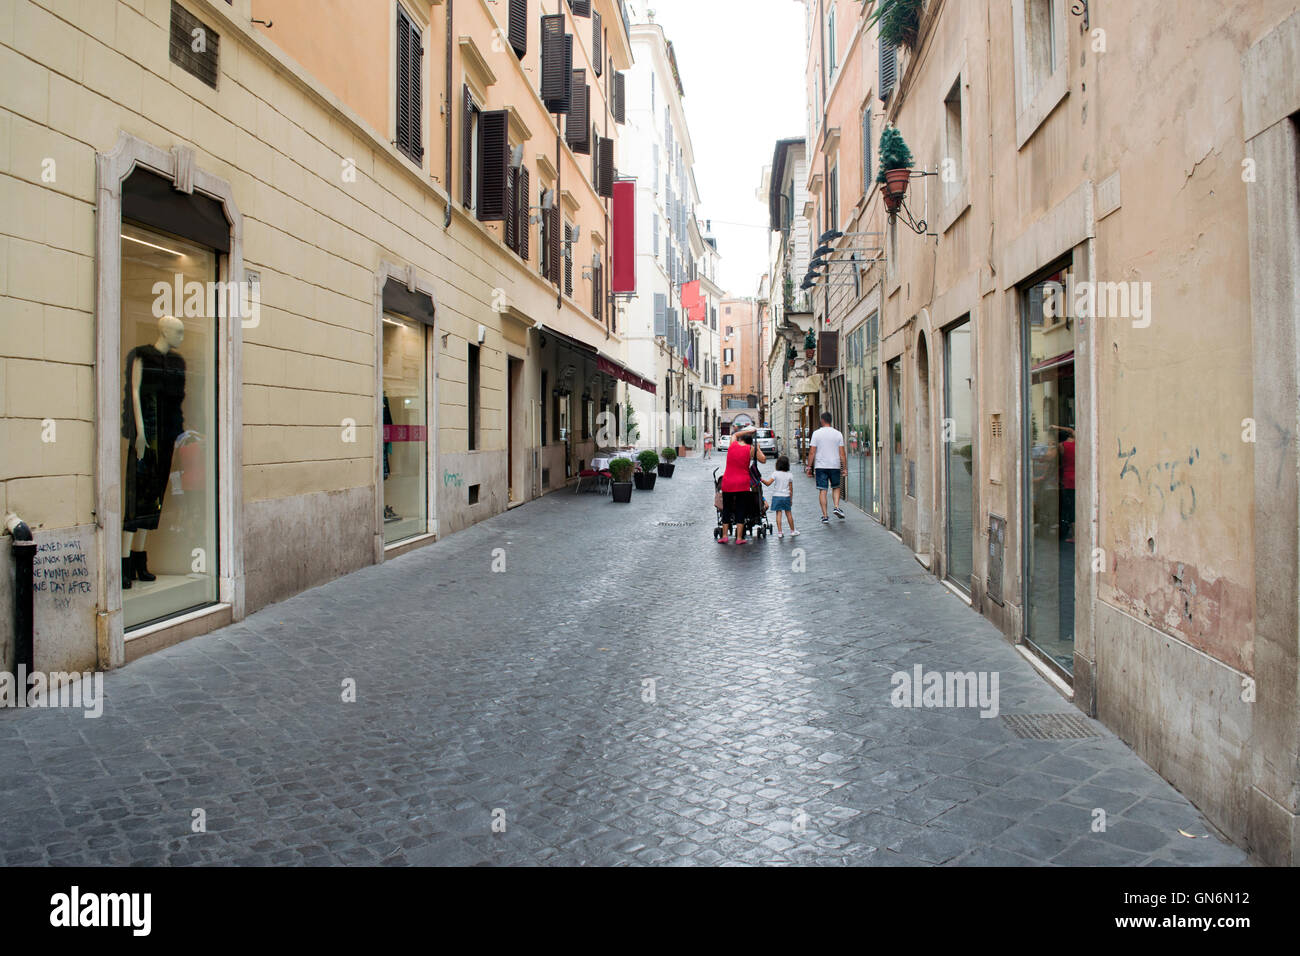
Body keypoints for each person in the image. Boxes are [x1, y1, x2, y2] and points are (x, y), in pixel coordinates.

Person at [719, 426, 766, 545]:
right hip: (742, 483)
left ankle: (724, 536)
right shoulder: (751, 449)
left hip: (728, 481)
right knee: (741, 509)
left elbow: (734, 434)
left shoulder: (732, 445)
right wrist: (758, 449)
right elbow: (763, 460)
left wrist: (749, 431)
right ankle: (739, 538)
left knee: (727, 509)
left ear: (741, 440)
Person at [806, 411, 847, 524]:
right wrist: (844, 468)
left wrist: (809, 467)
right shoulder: (838, 434)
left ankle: (825, 516)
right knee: (836, 487)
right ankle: (836, 506)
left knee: (822, 490)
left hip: (821, 466)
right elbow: (842, 453)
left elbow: (812, 452)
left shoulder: (816, 434)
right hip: (835, 465)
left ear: (822, 420)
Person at [762, 455, 798, 538]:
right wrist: (791, 499)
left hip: (777, 496)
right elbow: (791, 489)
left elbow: (768, 483)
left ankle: (780, 532)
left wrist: (761, 480)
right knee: (788, 513)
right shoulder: (789, 475)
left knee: (778, 514)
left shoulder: (775, 474)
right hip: (786, 496)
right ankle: (792, 531)